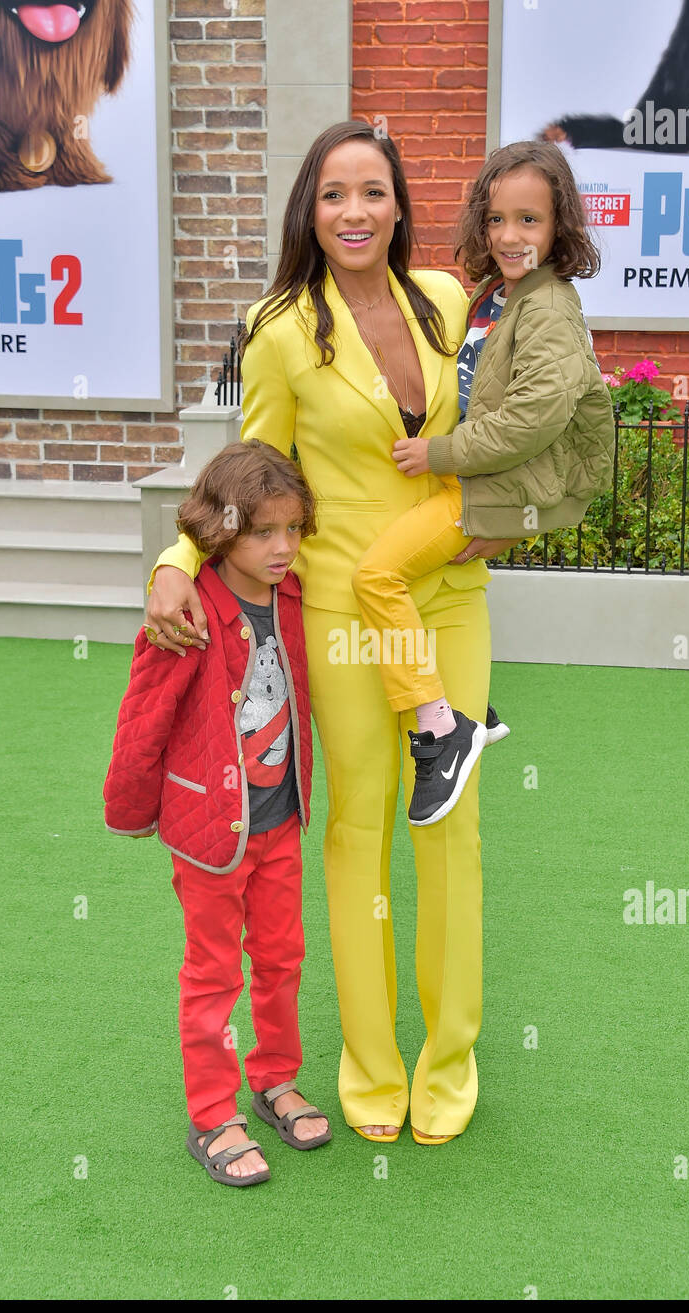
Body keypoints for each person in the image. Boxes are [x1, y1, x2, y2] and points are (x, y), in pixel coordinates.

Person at [144, 120, 523, 1145]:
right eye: (332, 195)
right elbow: (248, 475)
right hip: (347, 616)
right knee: (356, 831)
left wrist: (498, 514)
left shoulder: (446, 301)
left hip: (448, 596)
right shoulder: (279, 329)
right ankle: (370, 1065)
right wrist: (179, 563)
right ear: (308, 214)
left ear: (399, 206)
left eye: (371, 192)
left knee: (450, 829)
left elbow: (493, 433)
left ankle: (449, 1057)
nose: (353, 212)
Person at [351, 141, 615, 828]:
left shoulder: (549, 307)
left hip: (492, 487)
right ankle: (473, 700)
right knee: (415, 578)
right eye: (496, 219)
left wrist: (438, 453)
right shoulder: (497, 295)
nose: (509, 236)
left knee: (376, 576)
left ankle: (442, 728)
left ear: (560, 226)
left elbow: (533, 417)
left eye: (529, 220)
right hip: (478, 485)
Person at [103, 440, 332, 1186]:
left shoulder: (294, 595)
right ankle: (213, 1114)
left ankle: (273, 1080)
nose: (282, 547)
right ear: (221, 531)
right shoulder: (189, 609)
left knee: (283, 958)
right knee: (212, 974)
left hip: (281, 823)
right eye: (263, 532)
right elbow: (146, 712)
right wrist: (132, 808)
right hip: (210, 837)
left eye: (292, 530)